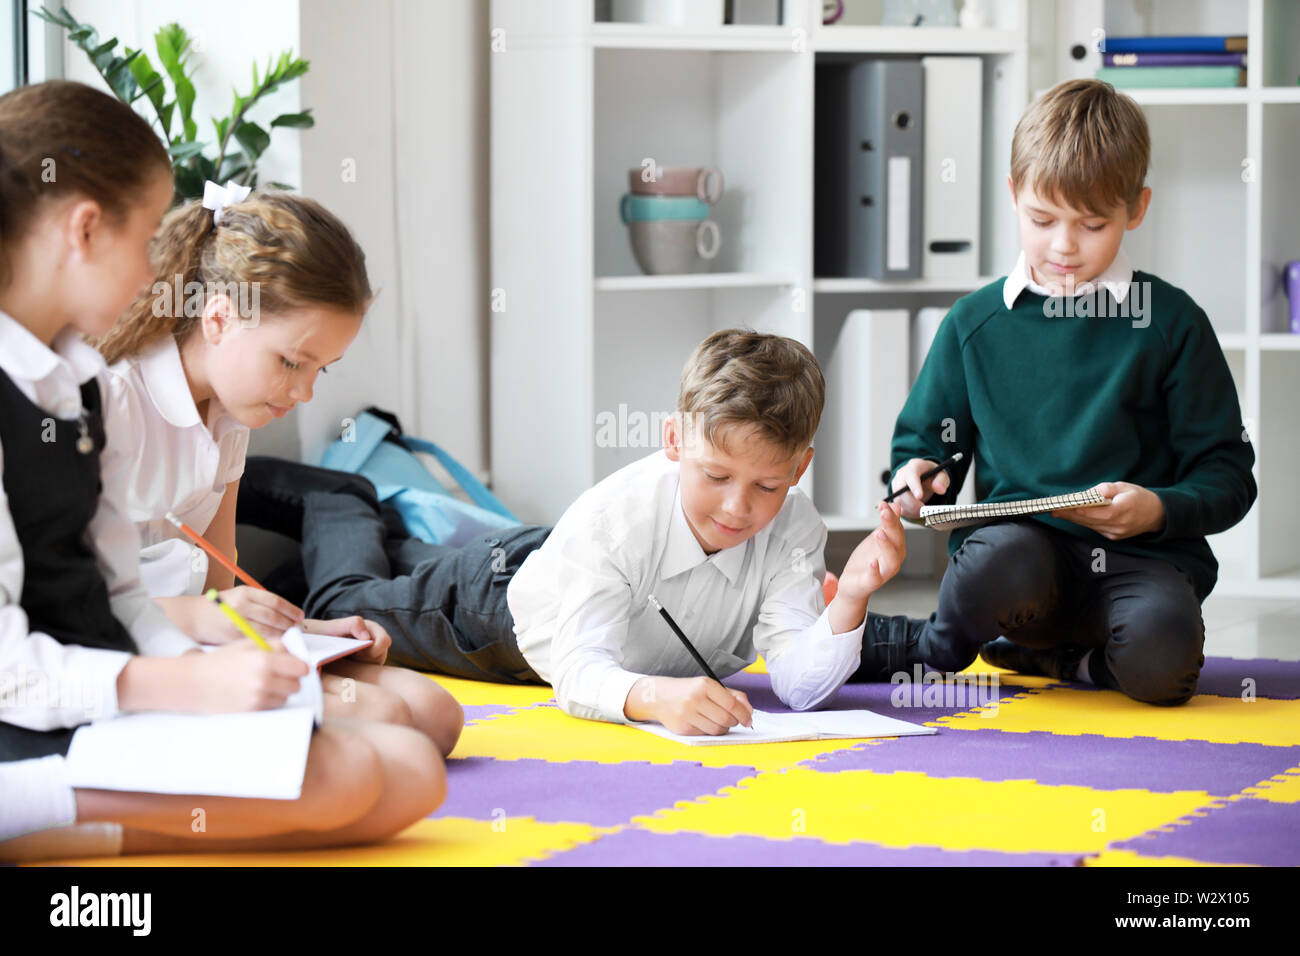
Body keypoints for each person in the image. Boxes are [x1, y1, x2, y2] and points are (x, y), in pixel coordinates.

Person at [0, 81, 443, 862]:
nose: (158, 276)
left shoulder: (71, 384)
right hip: (42, 713)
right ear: (84, 229)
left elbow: (122, 597)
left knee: (409, 769)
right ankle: (44, 815)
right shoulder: (93, 386)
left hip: (99, 689)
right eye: (146, 246)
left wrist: (233, 675)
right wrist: (187, 685)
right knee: (371, 769)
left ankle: (76, 820)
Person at [239, 329, 918, 737]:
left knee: (396, 563)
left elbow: (800, 687)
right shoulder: (619, 519)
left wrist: (851, 594)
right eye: (715, 475)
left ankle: (360, 524)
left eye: (768, 486)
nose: (739, 507)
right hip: (496, 608)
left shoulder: (795, 525)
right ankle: (337, 494)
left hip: (560, 556)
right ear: (674, 440)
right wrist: (654, 697)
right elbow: (575, 671)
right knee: (345, 608)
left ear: (800, 467)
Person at [888, 78, 1256, 705]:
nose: (1063, 246)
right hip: (1021, 564)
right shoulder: (974, 324)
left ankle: (1064, 663)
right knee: (992, 561)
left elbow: (1228, 476)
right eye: (1041, 219)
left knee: (1164, 670)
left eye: (1092, 224)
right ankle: (926, 651)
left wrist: (1158, 509)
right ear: (1013, 195)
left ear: (1136, 210)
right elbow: (930, 444)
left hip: (1141, 562)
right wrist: (918, 478)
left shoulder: (1170, 323)